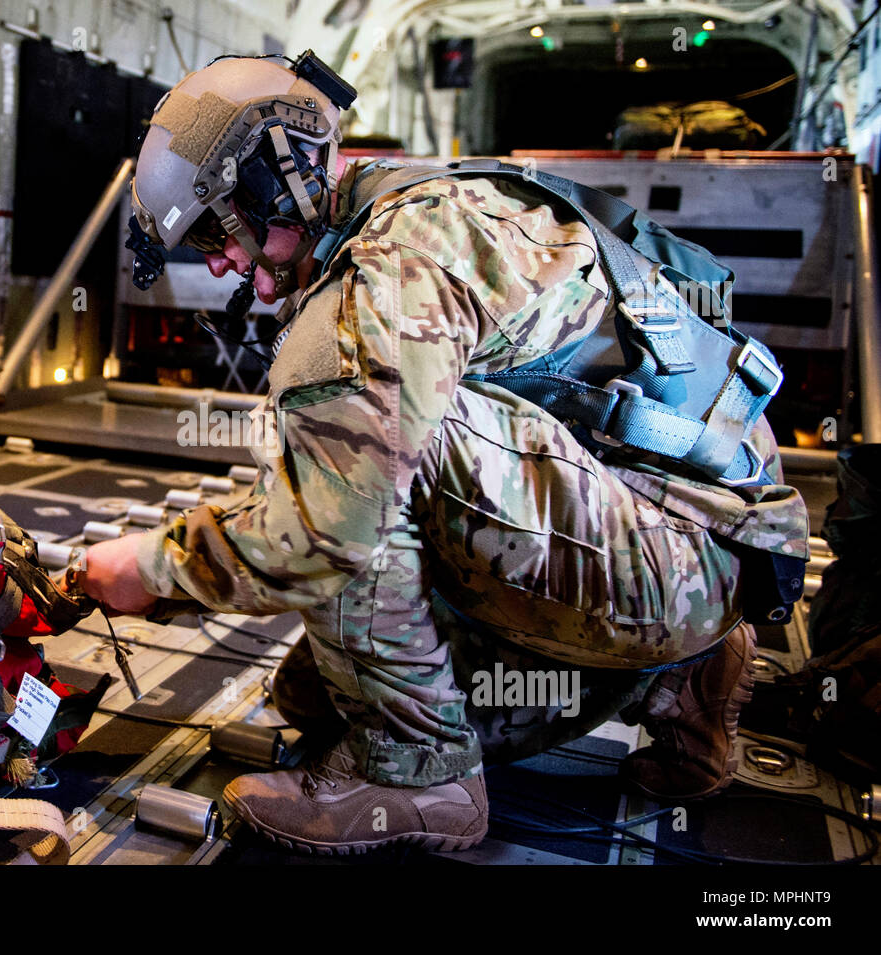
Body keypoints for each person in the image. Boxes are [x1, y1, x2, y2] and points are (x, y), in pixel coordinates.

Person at [80, 53, 809, 856]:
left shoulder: (381, 284)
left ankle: (419, 775)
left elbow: (329, 535)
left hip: (683, 549)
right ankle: (676, 676)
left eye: (217, 228)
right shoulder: (405, 201)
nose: (217, 259)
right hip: (700, 530)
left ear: (272, 183)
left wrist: (148, 567)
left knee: (351, 446)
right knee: (317, 694)